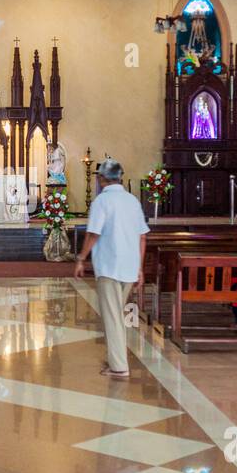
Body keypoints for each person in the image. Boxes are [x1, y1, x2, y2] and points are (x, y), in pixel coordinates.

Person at [74, 159, 150, 380]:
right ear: (120, 176)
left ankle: (119, 366)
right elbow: (142, 237)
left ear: (101, 179)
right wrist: (140, 268)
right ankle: (117, 359)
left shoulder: (102, 201)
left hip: (109, 266)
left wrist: (81, 258)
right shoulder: (132, 201)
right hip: (129, 266)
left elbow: (94, 233)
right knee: (116, 314)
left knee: (113, 316)